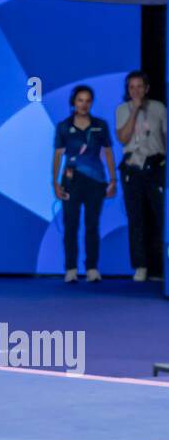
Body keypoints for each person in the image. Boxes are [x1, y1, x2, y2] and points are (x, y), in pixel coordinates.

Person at [53, 85, 116, 282]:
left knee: (92, 225)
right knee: (70, 225)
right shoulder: (63, 126)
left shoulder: (100, 125)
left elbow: (107, 152)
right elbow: (57, 155)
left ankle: (91, 268)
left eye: (88, 100)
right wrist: (55, 182)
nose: (84, 104)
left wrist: (113, 179)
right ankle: (70, 269)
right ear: (73, 102)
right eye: (80, 100)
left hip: (96, 182)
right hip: (71, 181)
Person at [115, 71, 166, 281]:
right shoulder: (121, 109)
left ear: (147, 88)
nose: (135, 91)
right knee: (136, 218)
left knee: (162, 216)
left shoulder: (159, 108)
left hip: (155, 166)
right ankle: (140, 266)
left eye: (139, 86)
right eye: (131, 87)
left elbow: (165, 137)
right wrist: (134, 111)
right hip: (132, 167)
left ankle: (163, 267)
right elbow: (122, 137)